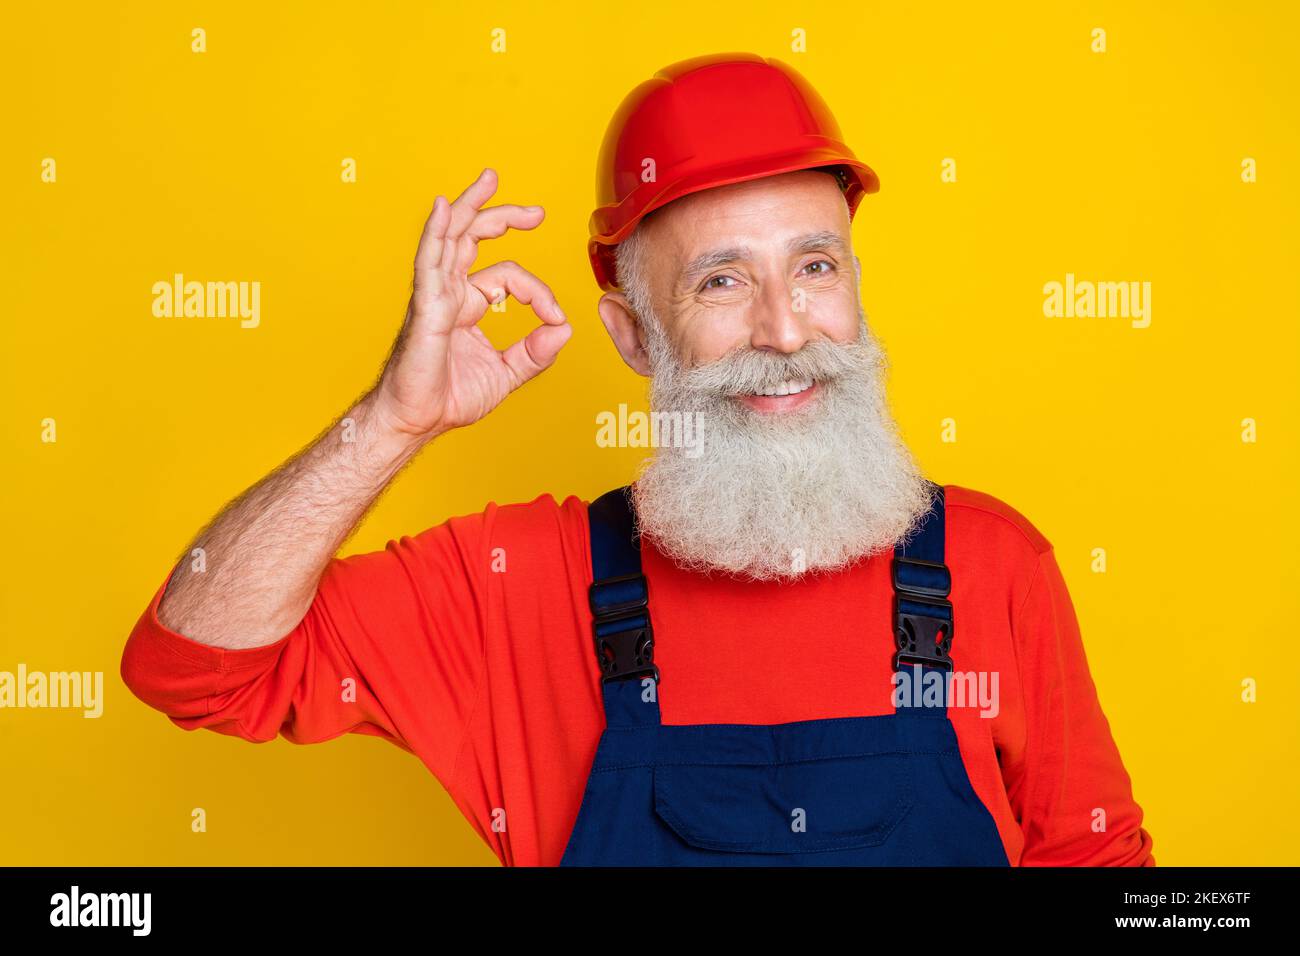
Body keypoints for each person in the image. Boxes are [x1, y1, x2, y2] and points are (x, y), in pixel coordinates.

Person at [120, 52, 1155, 866]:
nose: (786, 330)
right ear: (630, 334)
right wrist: (393, 421)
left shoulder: (992, 565)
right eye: (719, 283)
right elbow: (194, 664)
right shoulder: (516, 585)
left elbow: (1094, 854)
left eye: (813, 265)